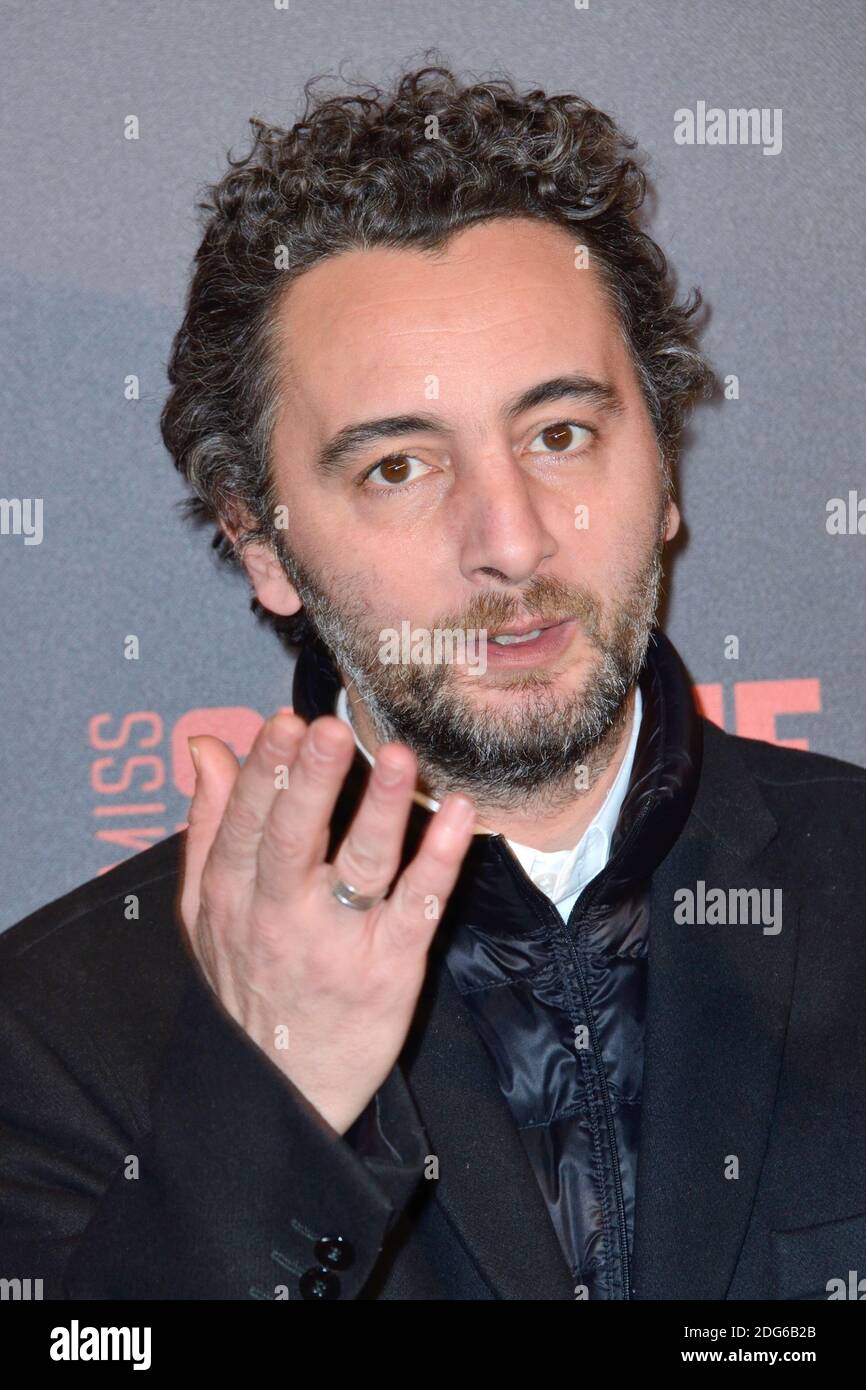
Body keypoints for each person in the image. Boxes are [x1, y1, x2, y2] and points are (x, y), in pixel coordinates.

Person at [1, 64, 864, 1303]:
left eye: (560, 433)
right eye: (399, 466)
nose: (509, 541)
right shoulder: (53, 1034)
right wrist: (270, 1114)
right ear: (260, 542)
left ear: (663, 471)